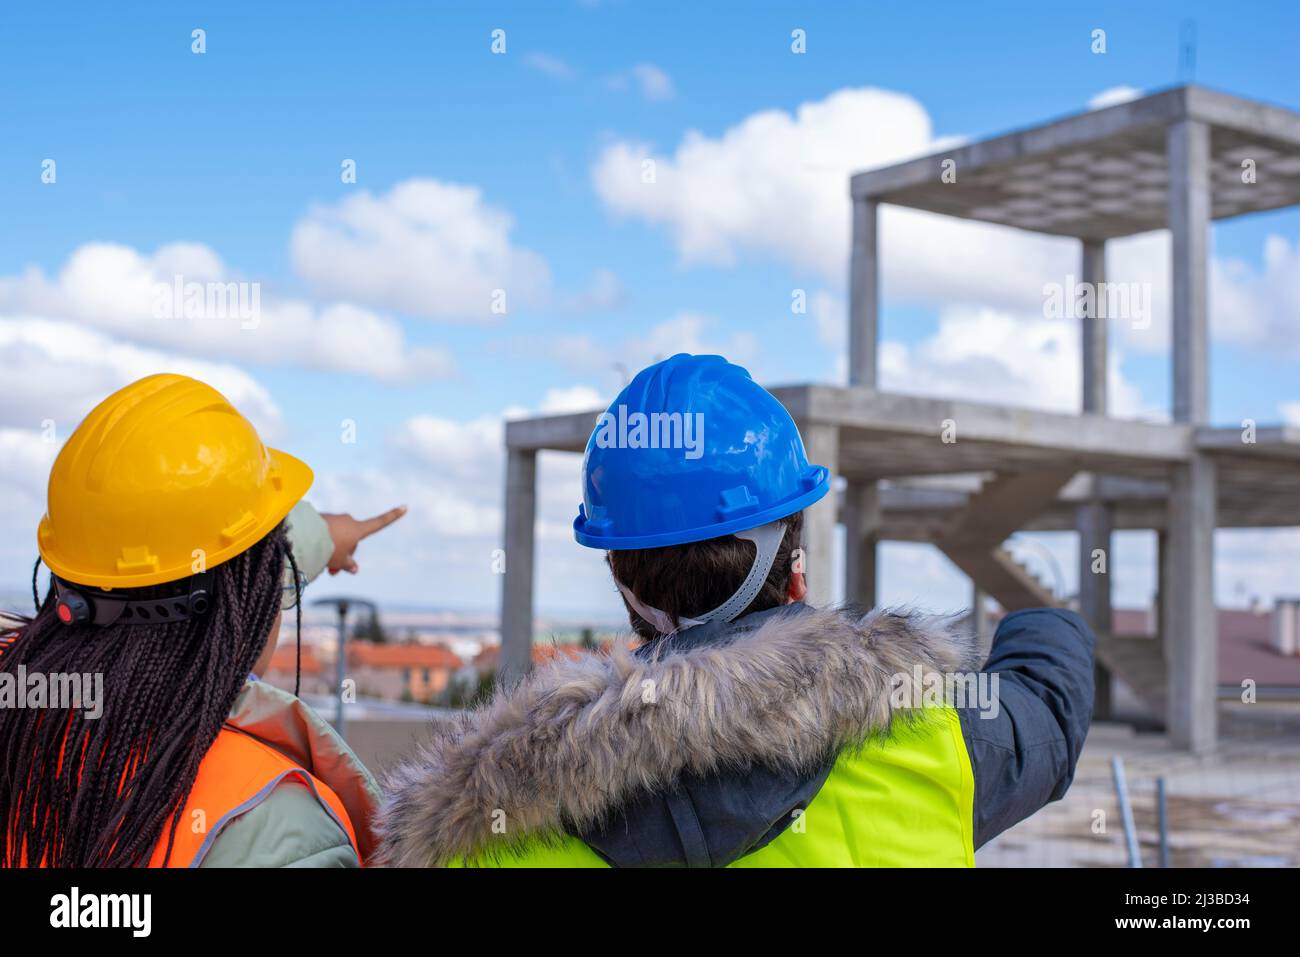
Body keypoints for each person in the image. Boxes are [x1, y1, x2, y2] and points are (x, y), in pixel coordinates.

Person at [376, 353, 1095, 868]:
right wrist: (1044, 617)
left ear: (625, 579)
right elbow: (1052, 717)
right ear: (794, 554)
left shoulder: (485, 836)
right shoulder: (933, 736)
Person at [0, 373, 403, 868]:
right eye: (275, 564)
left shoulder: (24, 704)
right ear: (248, 594)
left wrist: (322, 534)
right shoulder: (276, 826)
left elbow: (176, 556)